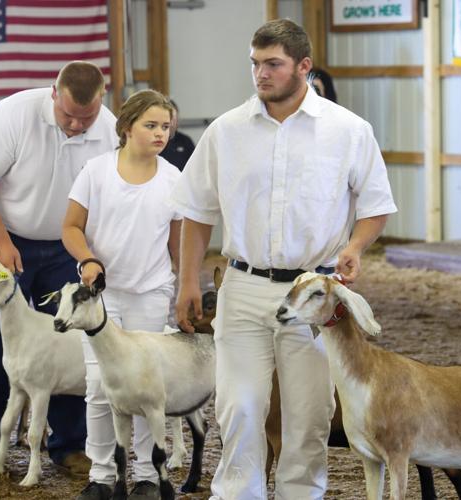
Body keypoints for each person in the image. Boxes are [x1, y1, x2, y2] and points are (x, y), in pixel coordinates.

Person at [171, 19, 397, 499]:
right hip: (243, 284)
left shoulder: (348, 131)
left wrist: (354, 248)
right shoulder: (225, 131)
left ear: (304, 66)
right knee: (240, 406)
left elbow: (376, 207)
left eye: (272, 64)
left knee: (310, 413)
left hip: (315, 293)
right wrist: (187, 281)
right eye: (255, 64)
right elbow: (196, 211)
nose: (261, 74)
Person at [0, 61, 120, 478]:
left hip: (66, 243)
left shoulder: (108, 129)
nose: (75, 124)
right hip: (2, 232)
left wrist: (90, 253)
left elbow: (109, 194)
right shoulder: (12, 114)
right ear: (53, 93)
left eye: (85, 117)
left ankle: (70, 444)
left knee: (70, 338)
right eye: (68, 114)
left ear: (102, 102)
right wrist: (1, 240)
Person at [61, 89, 181, 500]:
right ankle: (103, 476)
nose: (160, 133)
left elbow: (178, 243)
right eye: (151, 125)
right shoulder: (95, 171)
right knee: (99, 385)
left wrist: (184, 289)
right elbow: (71, 227)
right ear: (127, 127)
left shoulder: (173, 178)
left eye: (166, 126)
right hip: (101, 297)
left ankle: (148, 475)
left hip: (151, 291)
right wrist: (87, 261)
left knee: (147, 389)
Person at [159, 99, 195, 171]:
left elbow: (195, 167)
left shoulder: (185, 141)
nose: (171, 122)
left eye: (174, 118)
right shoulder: (155, 140)